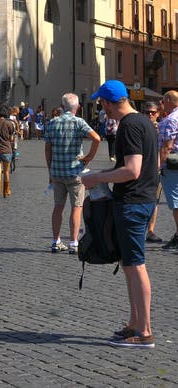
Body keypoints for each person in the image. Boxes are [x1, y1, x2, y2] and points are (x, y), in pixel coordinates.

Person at [81, 80, 158, 348]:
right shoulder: (144, 122)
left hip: (133, 202)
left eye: (102, 104)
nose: (102, 109)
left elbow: (132, 170)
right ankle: (135, 322)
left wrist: (97, 178)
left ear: (108, 102)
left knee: (135, 265)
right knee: (128, 263)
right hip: (142, 199)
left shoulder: (129, 126)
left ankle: (144, 331)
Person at [44, 92, 100, 254]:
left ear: (62, 106)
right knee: (77, 207)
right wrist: (88, 157)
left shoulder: (52, 123)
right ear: (78, 107)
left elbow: (47, 150)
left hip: (57, 173)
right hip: (75, 173)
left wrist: (50, 170)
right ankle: (74, 243)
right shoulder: (79, 122)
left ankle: (56, 241)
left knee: (58, 207)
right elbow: (96, 138)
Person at [158, 89, 178, 250]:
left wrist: (158, 166)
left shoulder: (171, 119)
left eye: (163, 101)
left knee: (176, 202)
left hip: (172, 166)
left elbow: (166, 147)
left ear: (169, 100)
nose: (162, 104)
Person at [142, 101, 163, 244]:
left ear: (158, 114)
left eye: (153, 112)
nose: (150, 114)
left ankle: (150, 230)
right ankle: (140, 229)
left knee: (154, 201)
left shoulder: (161, 128)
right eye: (147, 112)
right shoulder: (140, 127)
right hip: (140, 169)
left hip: (156, 169)